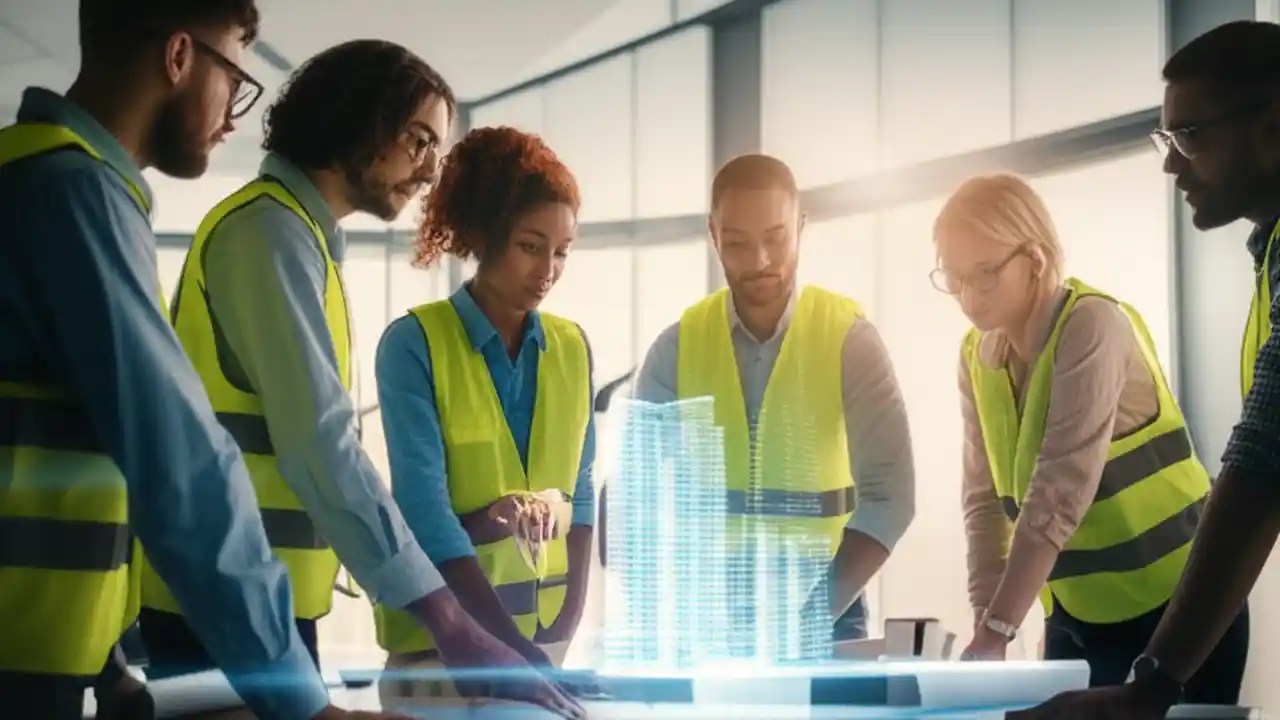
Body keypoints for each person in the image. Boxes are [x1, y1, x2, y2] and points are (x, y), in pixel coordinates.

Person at [139, 40, 583, 720]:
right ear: (359, 121)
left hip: (259, 600)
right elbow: (323, 451)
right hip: (219, 605)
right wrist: (451, 622)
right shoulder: (270, 234)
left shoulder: (304, 240)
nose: (432, 172)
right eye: (418, 141)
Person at [0, 1, 393, 718]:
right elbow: (181, 467)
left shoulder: (38, 176)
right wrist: (299, 698)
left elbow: (63, 453)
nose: (235, 114)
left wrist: (108, 658)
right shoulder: (74, 194)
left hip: (51, 661)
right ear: (179, 56)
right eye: (235, 78)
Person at [1010, 19, 1280, 720]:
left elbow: (1261, 462)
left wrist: (1154, 685)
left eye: (1190, 137)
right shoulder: (1272, 249)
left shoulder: (1092, 323)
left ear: (1274, 127)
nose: (1170, 164)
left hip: (1161, 602)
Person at [934, 173, 1249, 700]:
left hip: (1181, 606)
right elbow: (983, 503)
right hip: (1079, 614)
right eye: (953, 276)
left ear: (1034, 260)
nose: (968, 296)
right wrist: (987, 628)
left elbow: (1058, 491)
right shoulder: (976, 355)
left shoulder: (1092, 325)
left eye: (985, 274)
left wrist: (998, 630)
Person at [633, 153, 915, 650]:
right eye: (738, 243)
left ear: (801, 227)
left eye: (776, 238)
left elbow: (892, 498)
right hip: (706, 627)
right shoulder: (674, 350)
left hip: (830, 614)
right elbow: (642, 504)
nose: (760, 261)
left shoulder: (850, 340)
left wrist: (805, 619)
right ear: (714, 235)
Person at [372, 125, 596, 710]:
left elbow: (583, 500)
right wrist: (519, 654)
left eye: (563, 251)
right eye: (530, 245)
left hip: (539, 655)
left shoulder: (573, 348)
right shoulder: (413, 345)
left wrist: (559, 637)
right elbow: (427, 517)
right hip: (438, 660)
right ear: (482, 235)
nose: (548, 268)